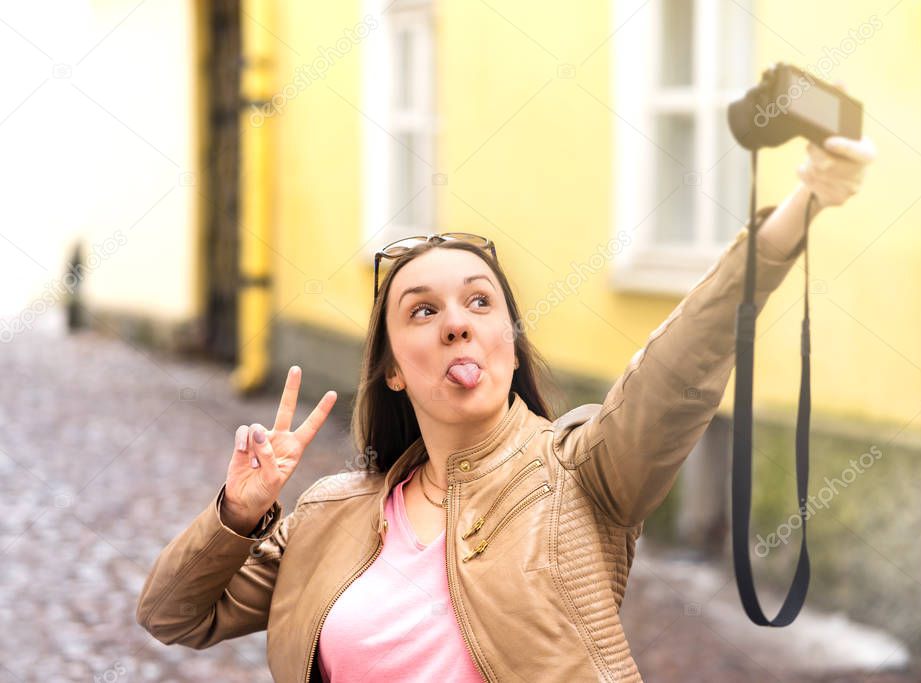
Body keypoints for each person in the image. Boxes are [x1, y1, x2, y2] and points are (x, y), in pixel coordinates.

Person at [136, 135, 876, 682]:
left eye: (479, 301)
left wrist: (793, 217)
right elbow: (173, 614)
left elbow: (679, 368)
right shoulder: (330, 515)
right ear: (392, 368)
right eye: (422, 310)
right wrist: (238, 510)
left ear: (511, 346)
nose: (456, 320)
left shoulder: (582, 473)